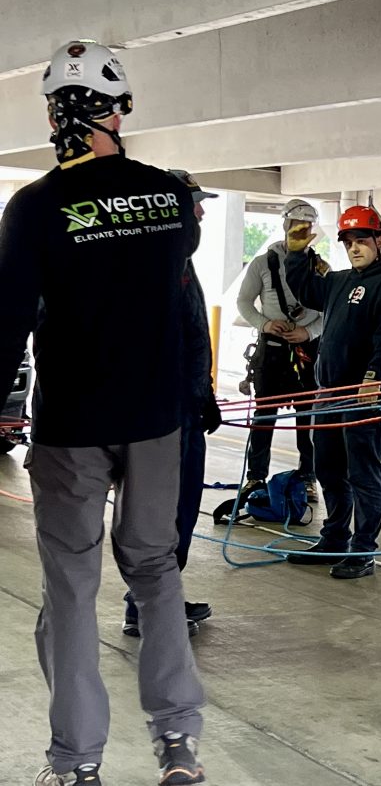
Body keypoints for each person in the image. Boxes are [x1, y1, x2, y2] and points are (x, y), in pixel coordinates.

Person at [0, 40, 206, 786]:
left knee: (72, 589)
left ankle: (76, 761)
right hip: (155, 418)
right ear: (116, 109)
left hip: (73, 426)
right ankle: (179, 738)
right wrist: (194, 387)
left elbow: (7, 322)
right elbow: (178, 297)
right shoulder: (170, 196)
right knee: (155, 570)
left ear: (55, 113)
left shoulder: (32, 208)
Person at [122, 170, 222, 639]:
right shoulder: (159, 262)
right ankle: (149, 607)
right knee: (169, 509)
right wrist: (188, 397)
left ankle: (154, 600)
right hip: (168, 409)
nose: (201, 211)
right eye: (194, 203)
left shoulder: (172, 257)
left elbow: (191, 334)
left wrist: (204, 393)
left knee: (170, 508)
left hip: (178, 401)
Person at [282, 204, 381, 579]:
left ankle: (363, 549)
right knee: (328, 467)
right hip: (328, 393)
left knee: (363, 472)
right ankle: (334, 537)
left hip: (362, 394)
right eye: (348, 241)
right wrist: (296, 253)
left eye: (362, 240)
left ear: (379, 240)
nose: (355, 247)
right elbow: (305, 290)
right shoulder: (339, 281)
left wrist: (372, 376)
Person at [235, 199, 323, 505]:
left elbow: (330, 310)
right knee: (264, 416)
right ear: (284, 225)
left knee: (307, 419)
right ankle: (256, 478)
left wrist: (308, 332)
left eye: (306, 226)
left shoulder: (320, 267)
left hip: (306, 353)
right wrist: (264, 323)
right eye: (294, 224)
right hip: (272, 352)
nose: (299, 230)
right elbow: (244, 302)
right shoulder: (262, 264)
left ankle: (309, 477)